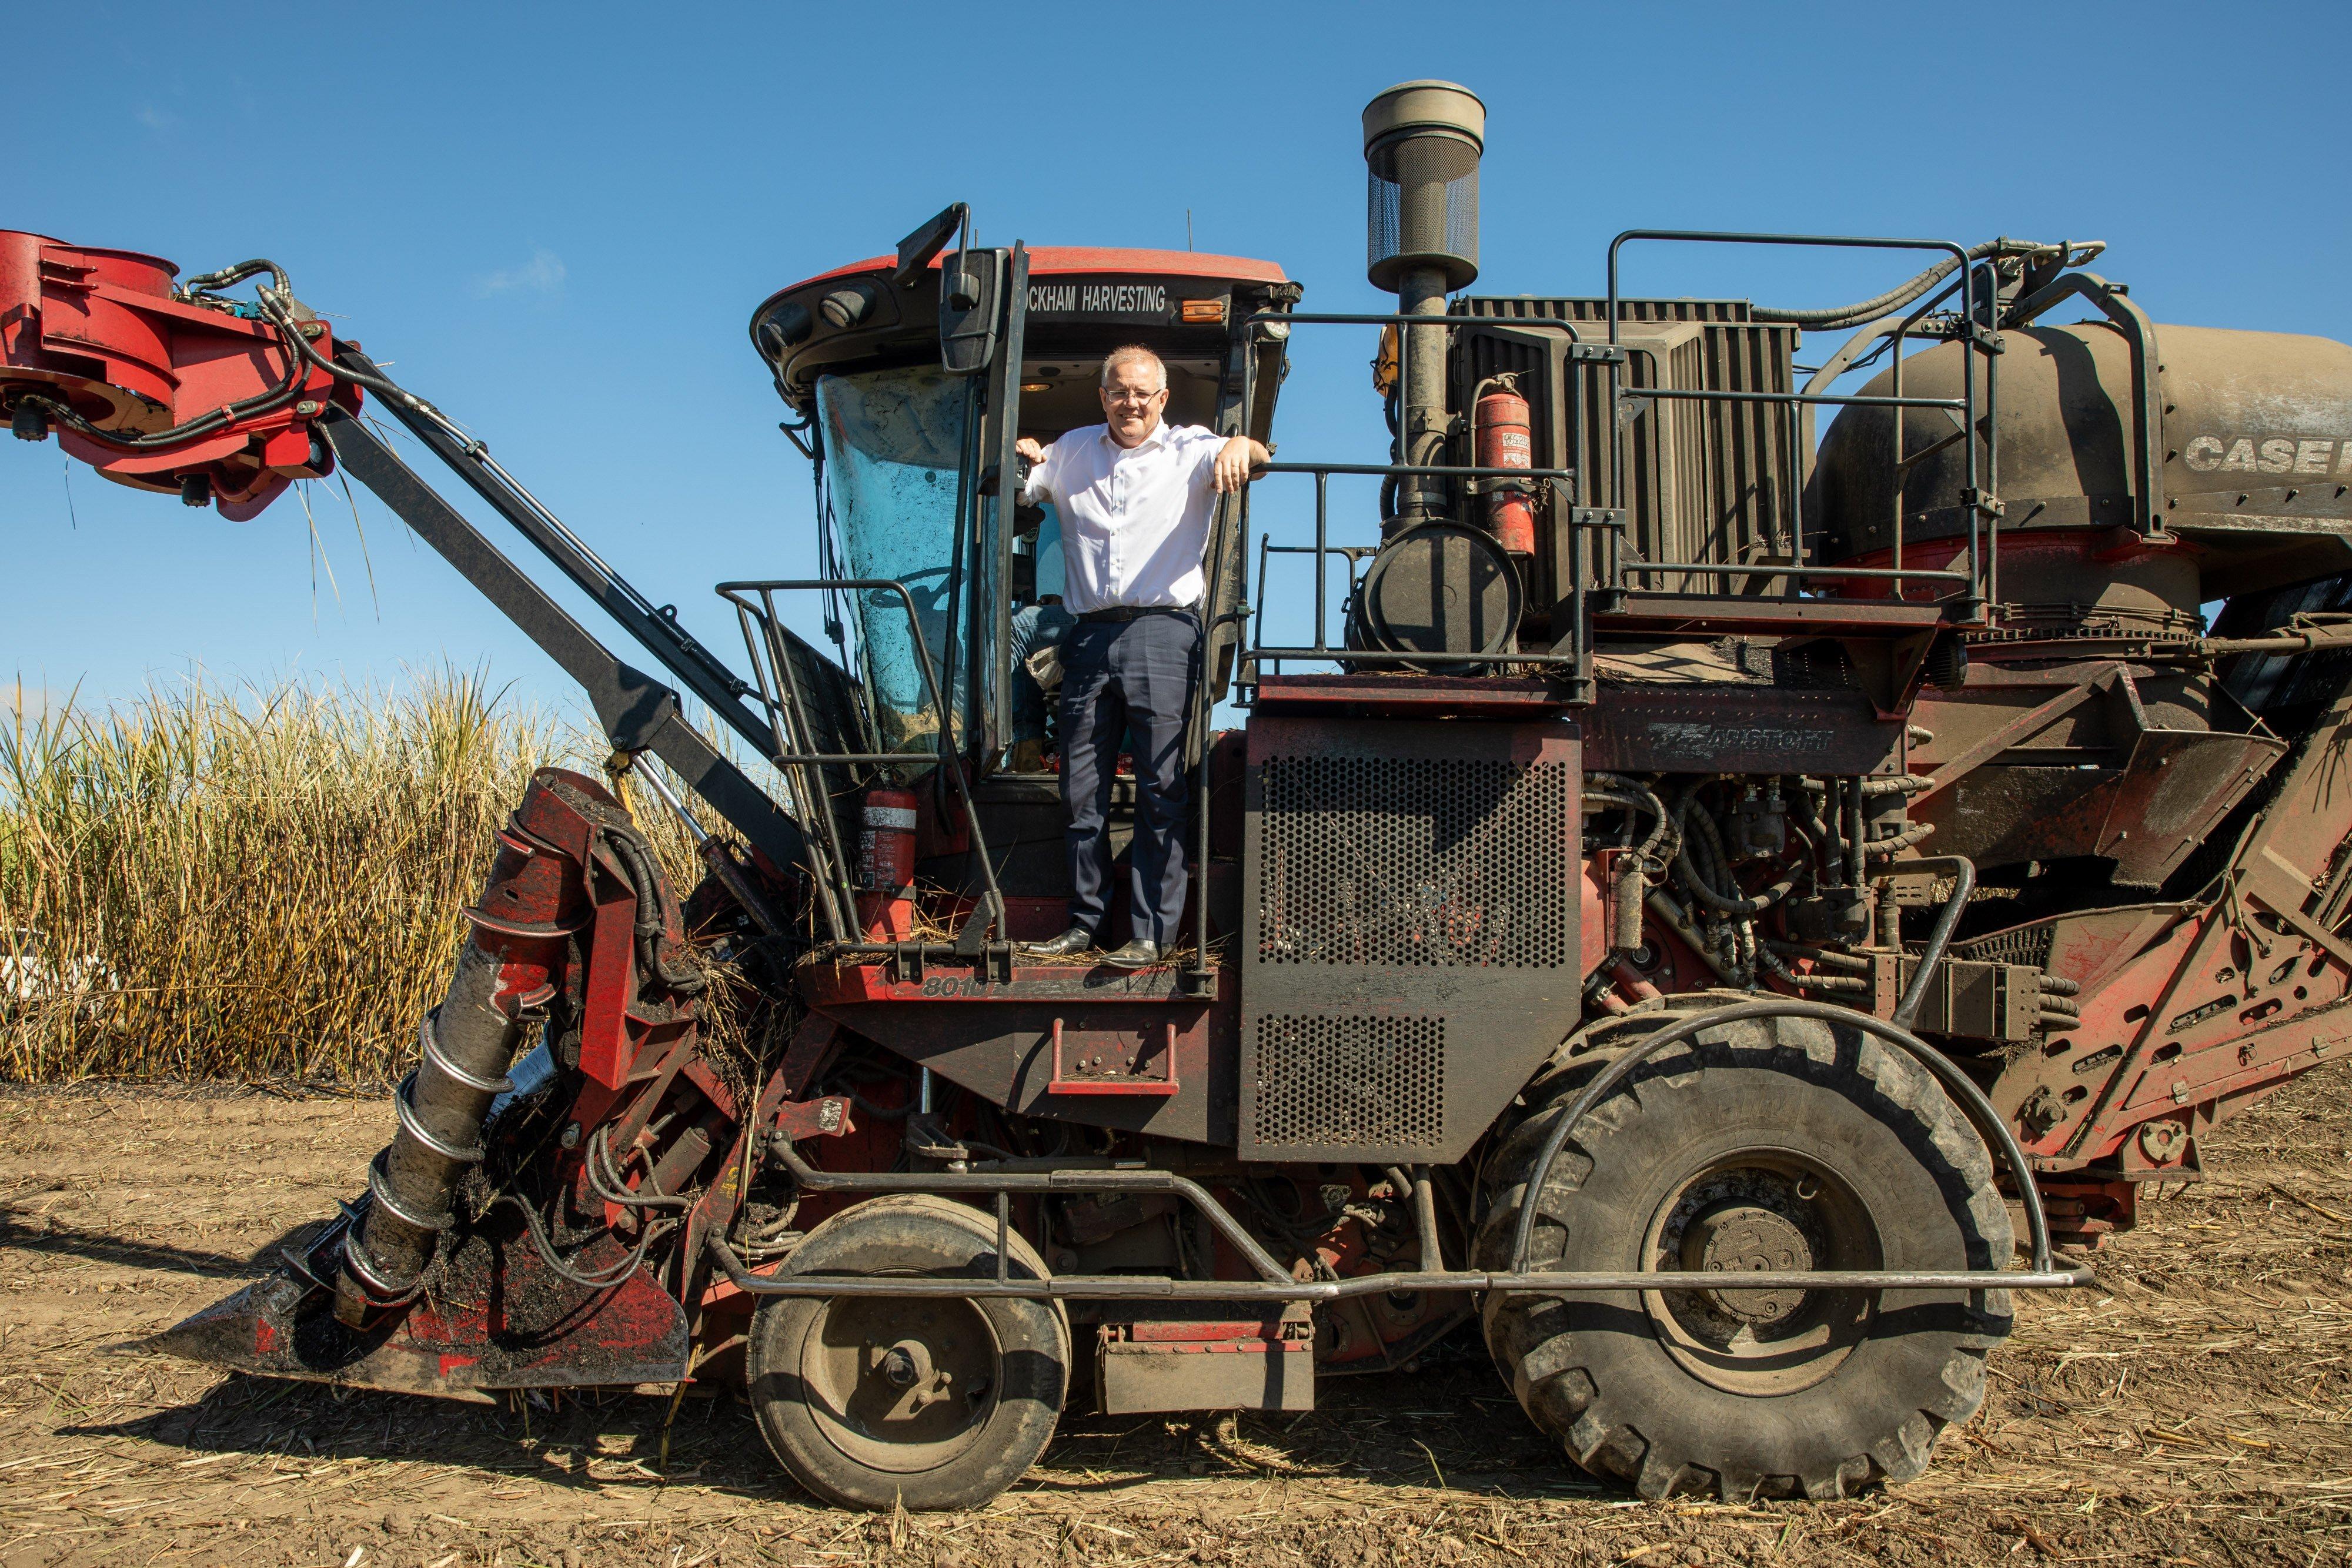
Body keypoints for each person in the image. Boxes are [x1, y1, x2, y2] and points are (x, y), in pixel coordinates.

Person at [1014, 345, 1268, 968]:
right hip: (1089, 634)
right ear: (1103, 397)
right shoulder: (1070, 450)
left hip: (1164, 630)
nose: (1131, 403)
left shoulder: (1194, 448)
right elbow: (1024, 486)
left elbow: (1254, 457)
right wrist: (1020, 450)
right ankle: (1084, 926)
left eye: (1143, 393)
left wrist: (1245, 446)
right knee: (1080, 790)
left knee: (1160, 787)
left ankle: (1151, 934)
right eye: (1119, 391)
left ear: (1162, 399)